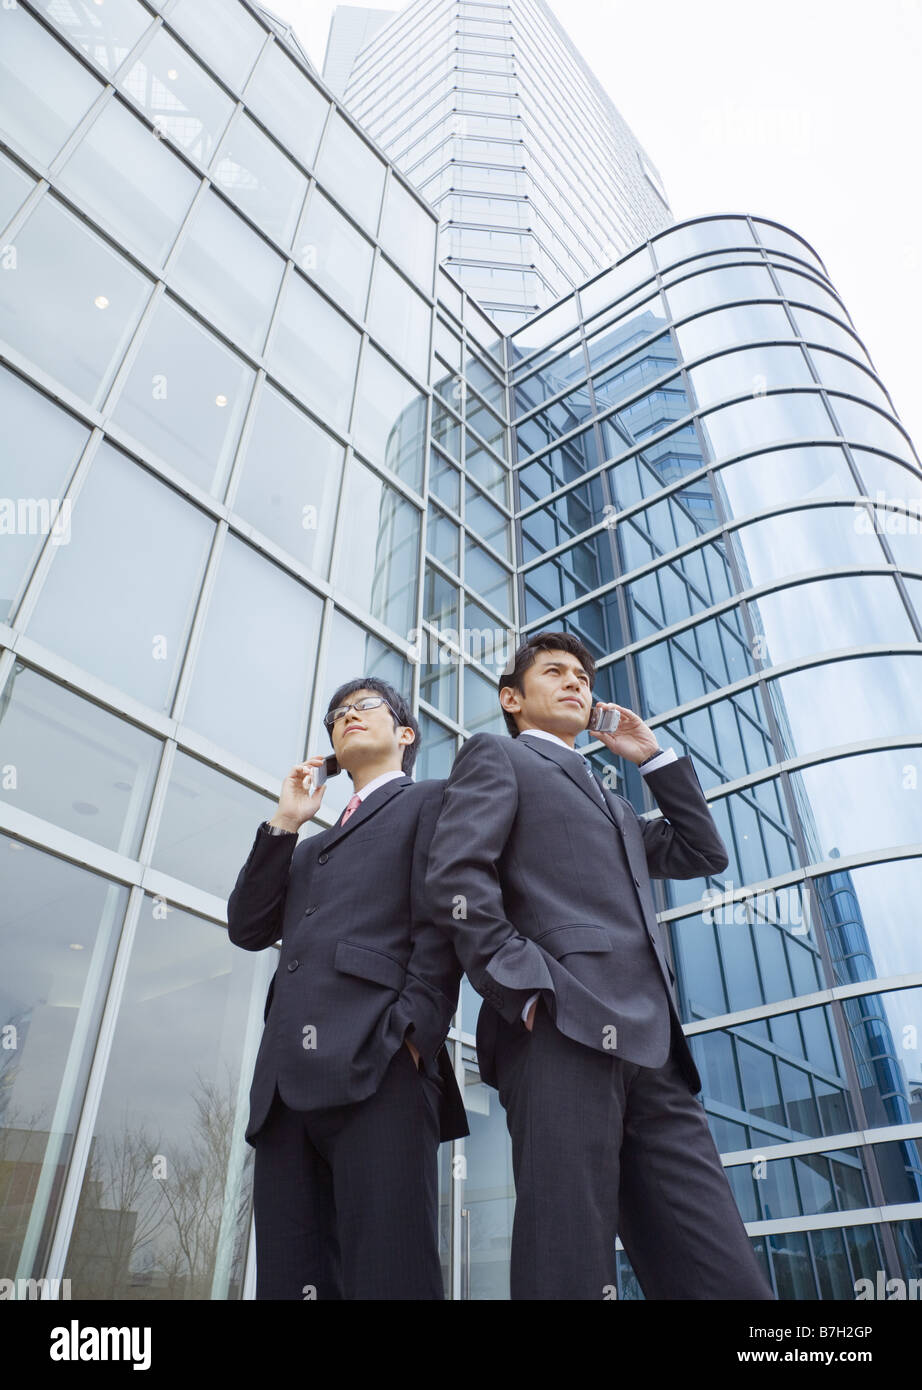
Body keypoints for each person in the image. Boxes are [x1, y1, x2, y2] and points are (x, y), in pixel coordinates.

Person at [426, 631, 776, 1301]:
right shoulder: (498, 756)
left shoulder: (615, 804)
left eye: (583, 677)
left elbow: (703, 851)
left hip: (655, 1053)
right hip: (564, 1032)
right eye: (555, 672)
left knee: (721, 1270)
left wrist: (652, 756)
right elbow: (456, 884)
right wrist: (530, 993)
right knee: (567, 1263)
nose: (575, 683)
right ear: (512, 698)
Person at [227, 677, 467, 1300]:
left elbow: (445, 925)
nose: (348, 716)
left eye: (365, 708)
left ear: (405, 733)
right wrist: (286, 822)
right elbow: (248, 928)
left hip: (378, 1064)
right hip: (284, 1090)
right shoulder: (309, 850)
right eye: (337, 714)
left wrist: (411, 1037)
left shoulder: (435, 801)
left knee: (390, 1276)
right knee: (292, 1281)